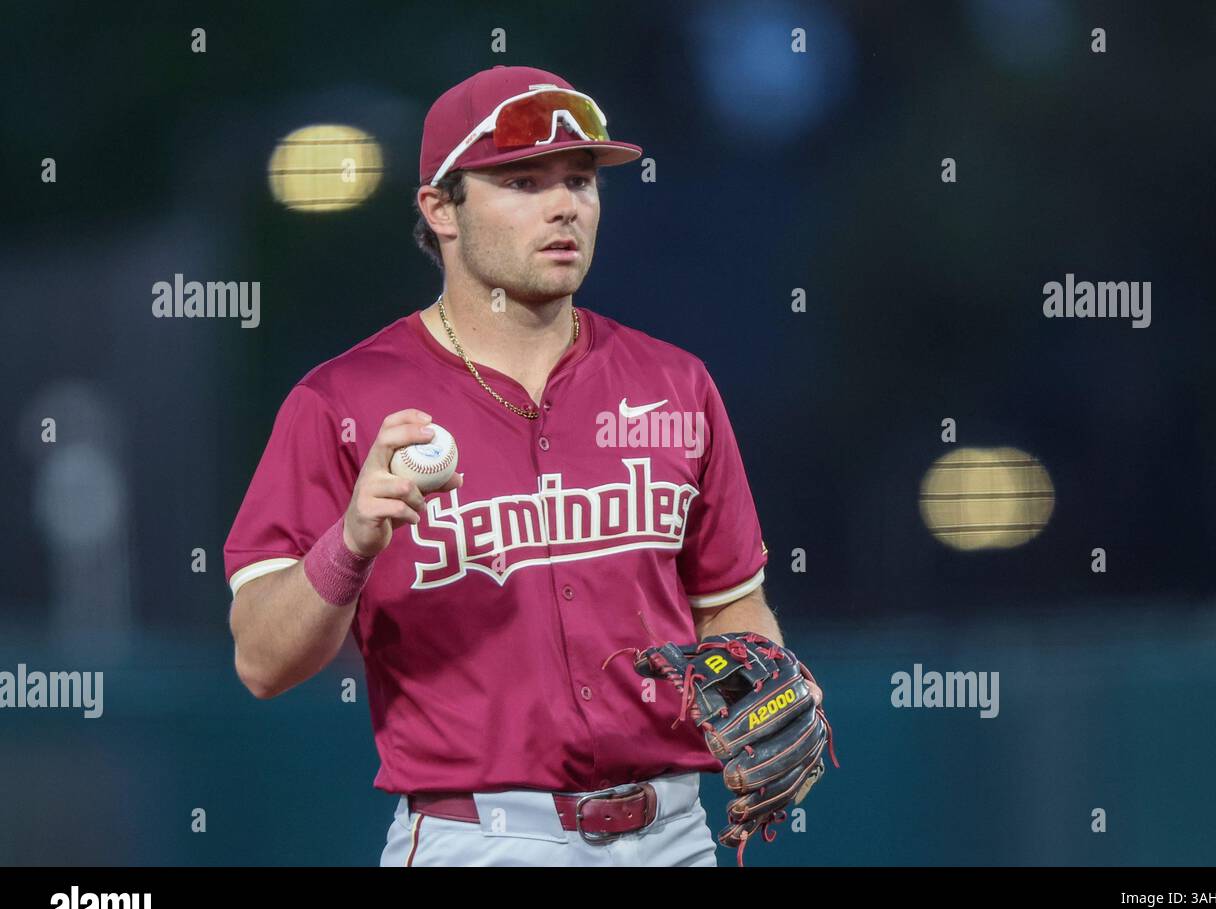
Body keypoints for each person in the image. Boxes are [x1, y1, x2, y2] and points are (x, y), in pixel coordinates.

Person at [224, 64, 803, 866]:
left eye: (580, 180)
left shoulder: (675, 384)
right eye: (524, 181)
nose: (566, 204)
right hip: (484, 840)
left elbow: (731, 607)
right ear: (440, 208)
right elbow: (259, 661)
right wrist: (350, 542)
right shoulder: (342, 402)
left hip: (676, 832)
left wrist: (757, 684)